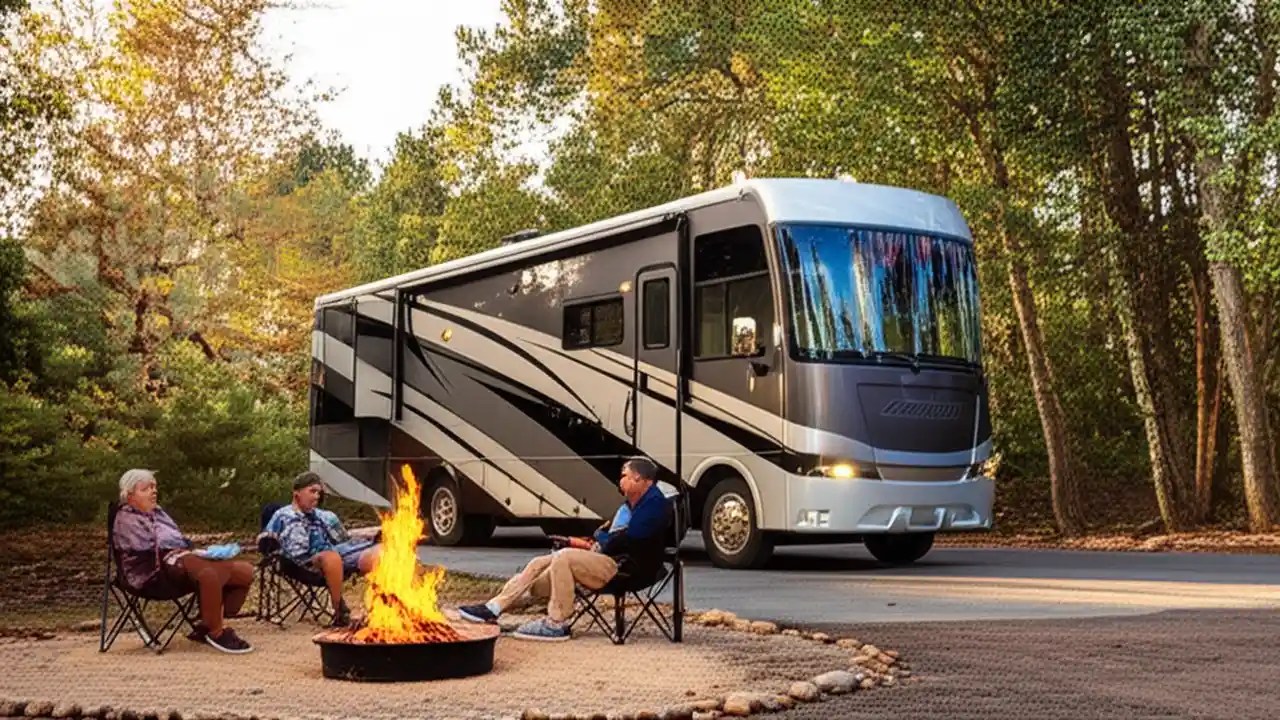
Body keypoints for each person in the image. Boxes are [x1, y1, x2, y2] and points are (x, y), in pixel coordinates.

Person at [457, 457, 670, 641]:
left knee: (564, 556)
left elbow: (625, 539)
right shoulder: (630, 506)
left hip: (623, 567)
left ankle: (556, 623)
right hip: (608, 558)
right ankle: (493, 608)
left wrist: (604, 540)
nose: (620, 480)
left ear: (638, 480)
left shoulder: (654, 504)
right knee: (537, 566)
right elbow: (608, 535)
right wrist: (604, 539)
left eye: (624, 475)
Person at [112, 469, 256, 654]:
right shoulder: (126, 517)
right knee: (208, 573)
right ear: (129, 494)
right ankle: (216, 632)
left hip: (179, 558)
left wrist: (202, 551)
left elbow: (177, 538)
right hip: (151, 572)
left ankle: (208, 620)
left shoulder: (159, 513)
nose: (154, 491)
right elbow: (152, 546)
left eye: (155, 487)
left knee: (245, 572)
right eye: (146, 488)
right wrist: (187, 551)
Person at [265, 471, 382, 626]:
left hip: (335, 555)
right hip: (300, 563)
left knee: (381, 551)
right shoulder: (282, 515)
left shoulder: (326, 517)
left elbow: (344, 540)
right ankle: (339, 612)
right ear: (297, 493)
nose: (317, 497)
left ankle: (380, 609)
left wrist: (370, 536)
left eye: (319, 492)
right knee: (331, 557)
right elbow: (266, 540)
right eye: (312, 491)